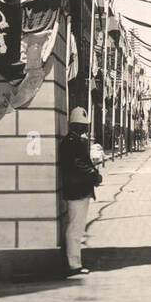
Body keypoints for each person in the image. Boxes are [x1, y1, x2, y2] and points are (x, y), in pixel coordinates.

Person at [61, 107, 101, 276]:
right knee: (75, 228)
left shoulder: (73, 141)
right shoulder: (72, 142)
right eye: (81, 126)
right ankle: (74, 264)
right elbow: (79, 166)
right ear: (74, 126)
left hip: (79, 190)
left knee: (76, 226)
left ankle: (74, 261)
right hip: (77, 191)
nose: (84, 130)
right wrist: (94, 175)